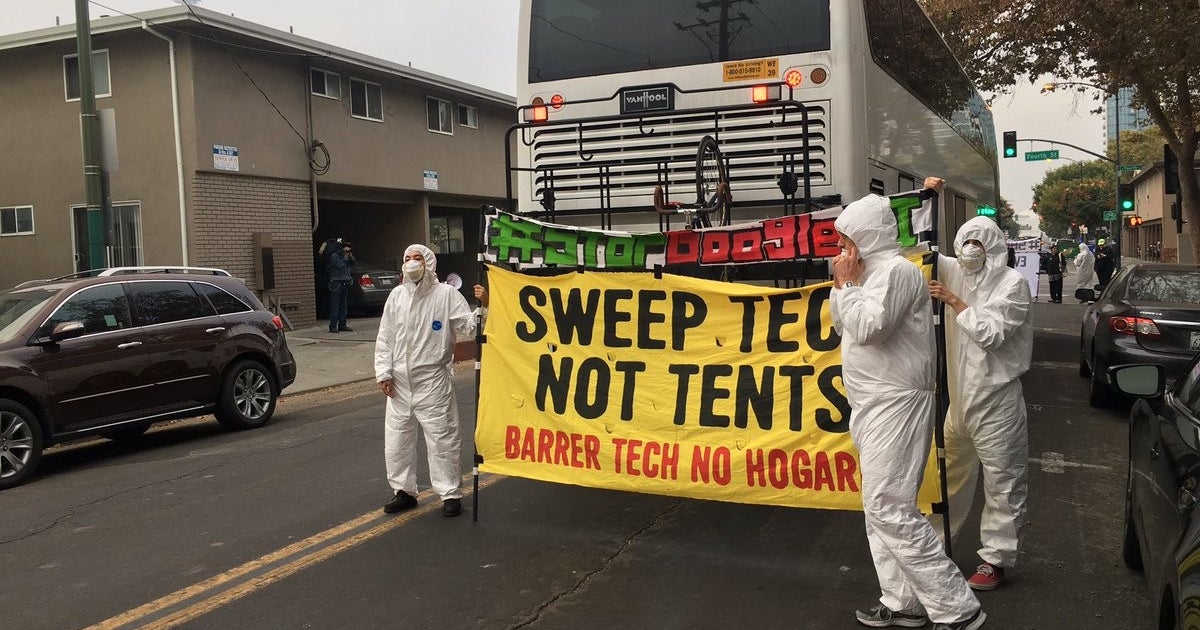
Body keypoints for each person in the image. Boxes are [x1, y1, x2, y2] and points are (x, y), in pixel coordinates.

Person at [831, 186, 986, 630]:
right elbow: (842, 320)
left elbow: (869, 327)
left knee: (889, 505)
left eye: (847, 240)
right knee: (877, 504)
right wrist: (846, 285)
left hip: (897, 401)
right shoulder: (866, 275)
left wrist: (846, 284)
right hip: (871, 401)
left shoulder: (898, 272)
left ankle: (958, 608)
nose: (842, 249)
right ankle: (903, 602)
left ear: (866, 237)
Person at [927, 217, 1033, 593]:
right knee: (947, 475)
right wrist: (928, 199)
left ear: (993, 245)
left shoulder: (1012, 286)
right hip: (960, 398)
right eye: (965, 240)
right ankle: (937, 544)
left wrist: (954, 301)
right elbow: (921, 249)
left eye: (978, 241)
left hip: (997, 401)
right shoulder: (956, 271)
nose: (971, 247)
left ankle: (995, 559)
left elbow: (990, 333)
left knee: (1003, 481)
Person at [374, 243, 488, 518]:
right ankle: (403, 491)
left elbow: (469, 326)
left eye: (417, 258)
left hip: (432, 380)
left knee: (442, 437)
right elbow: (385, 337)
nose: (411, 262)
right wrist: (383, 372)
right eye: (407, 258)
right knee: (397, 440)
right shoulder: (397, 296)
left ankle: (449, 493)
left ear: (429, 263)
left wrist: (484, 304)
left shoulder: (445, 294)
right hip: (399, 383)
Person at [326, 238, 356, 333]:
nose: (346, 249)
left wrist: (350, 255)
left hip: (345, 283)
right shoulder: (334, 256)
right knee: (335, 306)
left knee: (344, 306)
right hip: (336, 283)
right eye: (345, 248)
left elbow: (353, 263)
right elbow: (340, 265)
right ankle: (333, 326)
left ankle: (342, 325)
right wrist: (345, 257)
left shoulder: (345, 255)